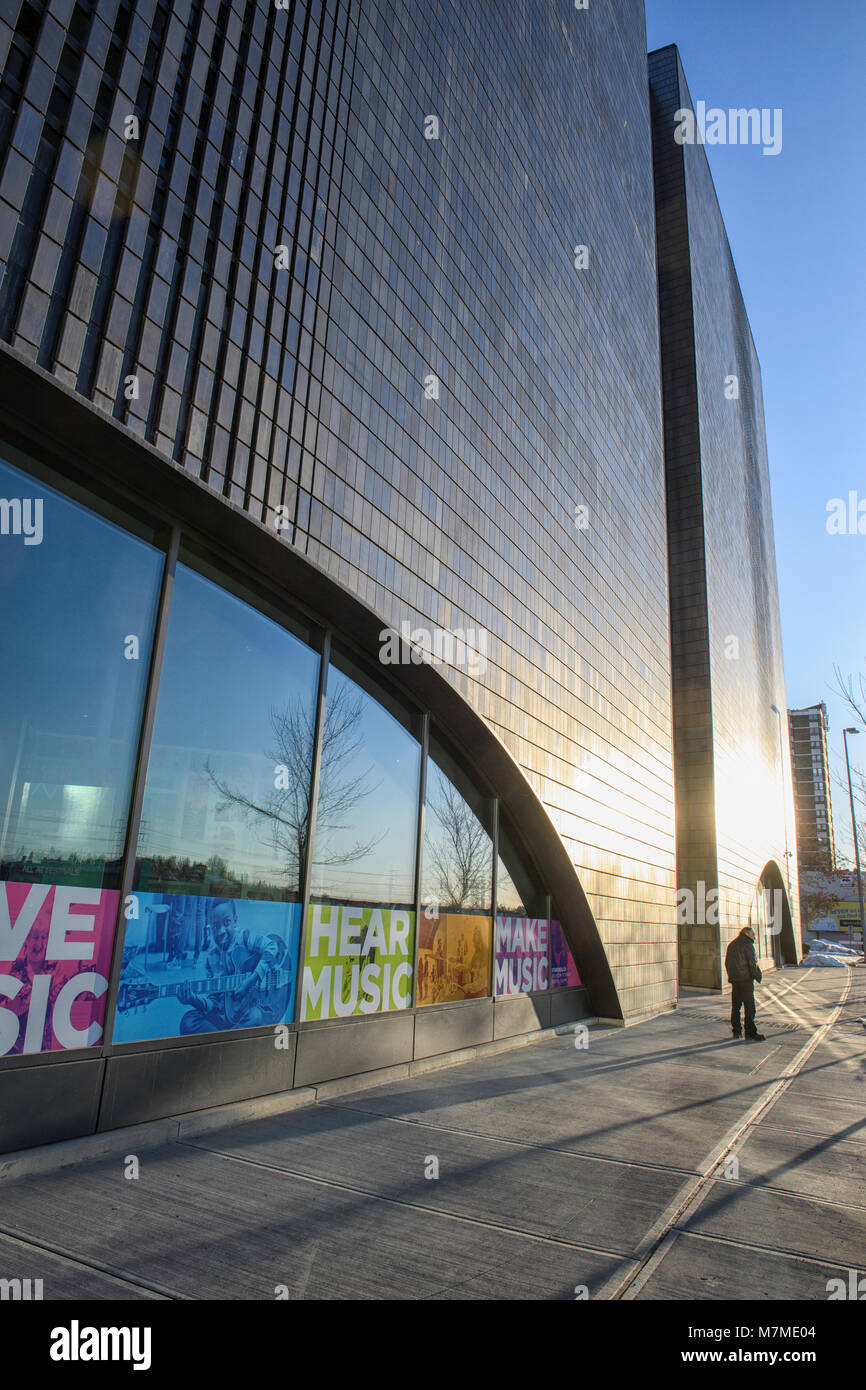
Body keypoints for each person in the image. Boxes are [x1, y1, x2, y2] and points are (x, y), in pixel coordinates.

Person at [724, 925, 765, 1040]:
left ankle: (736, 1031)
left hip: (735, 980)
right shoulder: (748, 945)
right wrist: (757, 975)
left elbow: (727, 963)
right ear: (746, 934)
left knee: (736, 1006)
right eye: (753, 934)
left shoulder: (732, 944)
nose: (754, 937)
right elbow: (752, 963)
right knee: (749, 1006)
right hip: (745, 980)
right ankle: (750, 1032)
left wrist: (732, 976)